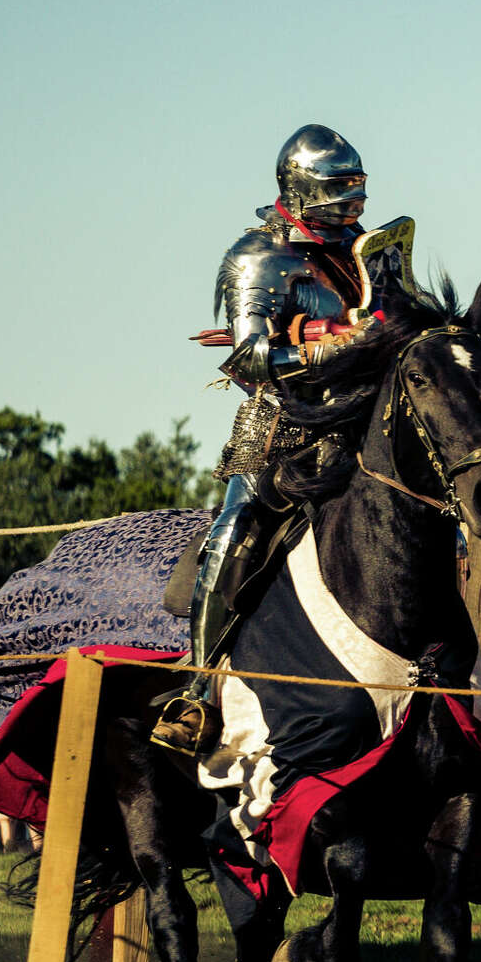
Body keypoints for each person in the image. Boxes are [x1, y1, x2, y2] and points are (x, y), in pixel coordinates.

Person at [152, 124, 384, 754]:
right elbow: (248, 356)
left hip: (361, 419)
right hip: (283, 424)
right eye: (339, 187)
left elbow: (394, 315)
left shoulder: (366, 250)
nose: (353, 200)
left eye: (356, 185)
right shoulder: (259, 257)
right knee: (238, 526)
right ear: (302, 188)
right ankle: (198, 690)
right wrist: (329, 346)